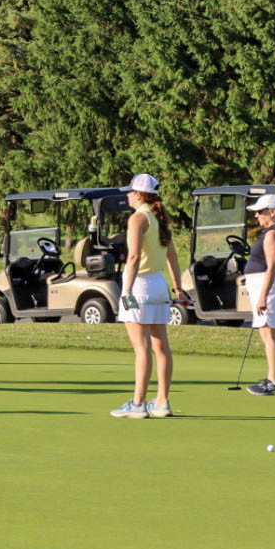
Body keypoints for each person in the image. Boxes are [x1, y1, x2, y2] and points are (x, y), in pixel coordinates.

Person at [111, 173, 189, 419]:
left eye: (130, 191)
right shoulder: (158, 217)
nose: (127, 195)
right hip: (158, 285)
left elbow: (133, 258)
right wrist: (178, 288)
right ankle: (162, 402)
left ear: (138, 194)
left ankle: (137, 404)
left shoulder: (138, 218)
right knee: (160, 345)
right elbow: (172, 257)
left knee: (141, 347)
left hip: (139, 286)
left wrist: (125, 291)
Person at [244, 194, 275, 396]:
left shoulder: (272, 234)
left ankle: (274, 382)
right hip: (265, 285)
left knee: (269, 334)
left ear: (273, 212)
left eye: (261, 212)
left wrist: (263, 295)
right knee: (265, 333)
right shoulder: (273, 232)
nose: (257, 216)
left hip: (267, 286)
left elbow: (272, 267)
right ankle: (272, 379)